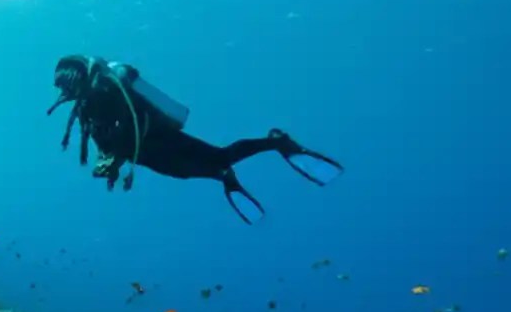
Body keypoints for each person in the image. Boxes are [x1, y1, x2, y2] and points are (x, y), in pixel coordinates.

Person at [47, 54, 344, 224]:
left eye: (68, 82)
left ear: (79, 77)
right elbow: (106, 141)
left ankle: (276, 142)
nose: (65, 91)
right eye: (62, 85)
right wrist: (109, 163)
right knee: (186, 173)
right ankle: (224, 176)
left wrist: (116, 159)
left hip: (161, 140)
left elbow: (128, 128)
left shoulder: (109, 91)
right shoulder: (86, 107)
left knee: (220, 156)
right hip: (149, 155)